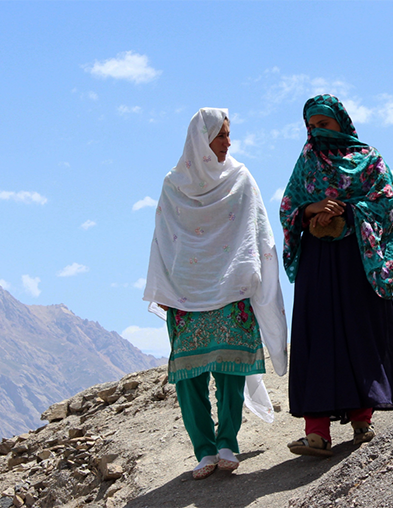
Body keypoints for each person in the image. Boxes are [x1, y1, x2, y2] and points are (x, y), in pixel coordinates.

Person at [144, 108, 287, 479]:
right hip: (184, 294)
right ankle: (204, 451)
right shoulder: (174, 184)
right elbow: (162, 237)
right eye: (221, 135)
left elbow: (257, 230)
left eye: (228, 135)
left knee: (230, 369)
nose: (227, 142)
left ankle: (228, 443)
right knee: (189, 379)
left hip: (230, 287)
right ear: (200, 140)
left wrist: (254, 272)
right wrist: (162, 284)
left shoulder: (240, 177)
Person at [279, 94, 393, 457]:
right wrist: (311, 209)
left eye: (322, 124)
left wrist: (346, 210)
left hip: (357, 257)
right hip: (318, 260)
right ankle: (316, 433)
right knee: (317, 337)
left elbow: (388, 200)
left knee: (359, 331)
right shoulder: (307, 161)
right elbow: (288, 208)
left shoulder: (369, 159)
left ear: (340, 121)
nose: (316, 132)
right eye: (310, 126)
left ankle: (362, 420)